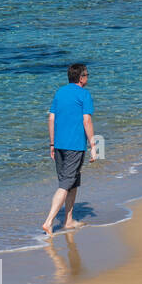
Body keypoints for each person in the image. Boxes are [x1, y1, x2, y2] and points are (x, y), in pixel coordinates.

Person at [42, 63, 96, 235]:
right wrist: (94, 146)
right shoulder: (84, 94)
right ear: (81, 78)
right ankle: (49, 221)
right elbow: (87, 121)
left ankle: (68, 220)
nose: (87, 77)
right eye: (86, 75)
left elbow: (51, 119)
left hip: (59, 145)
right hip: (74, 146)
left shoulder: (60, 92)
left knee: (72, 182)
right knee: (65, 185)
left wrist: (51, 144)